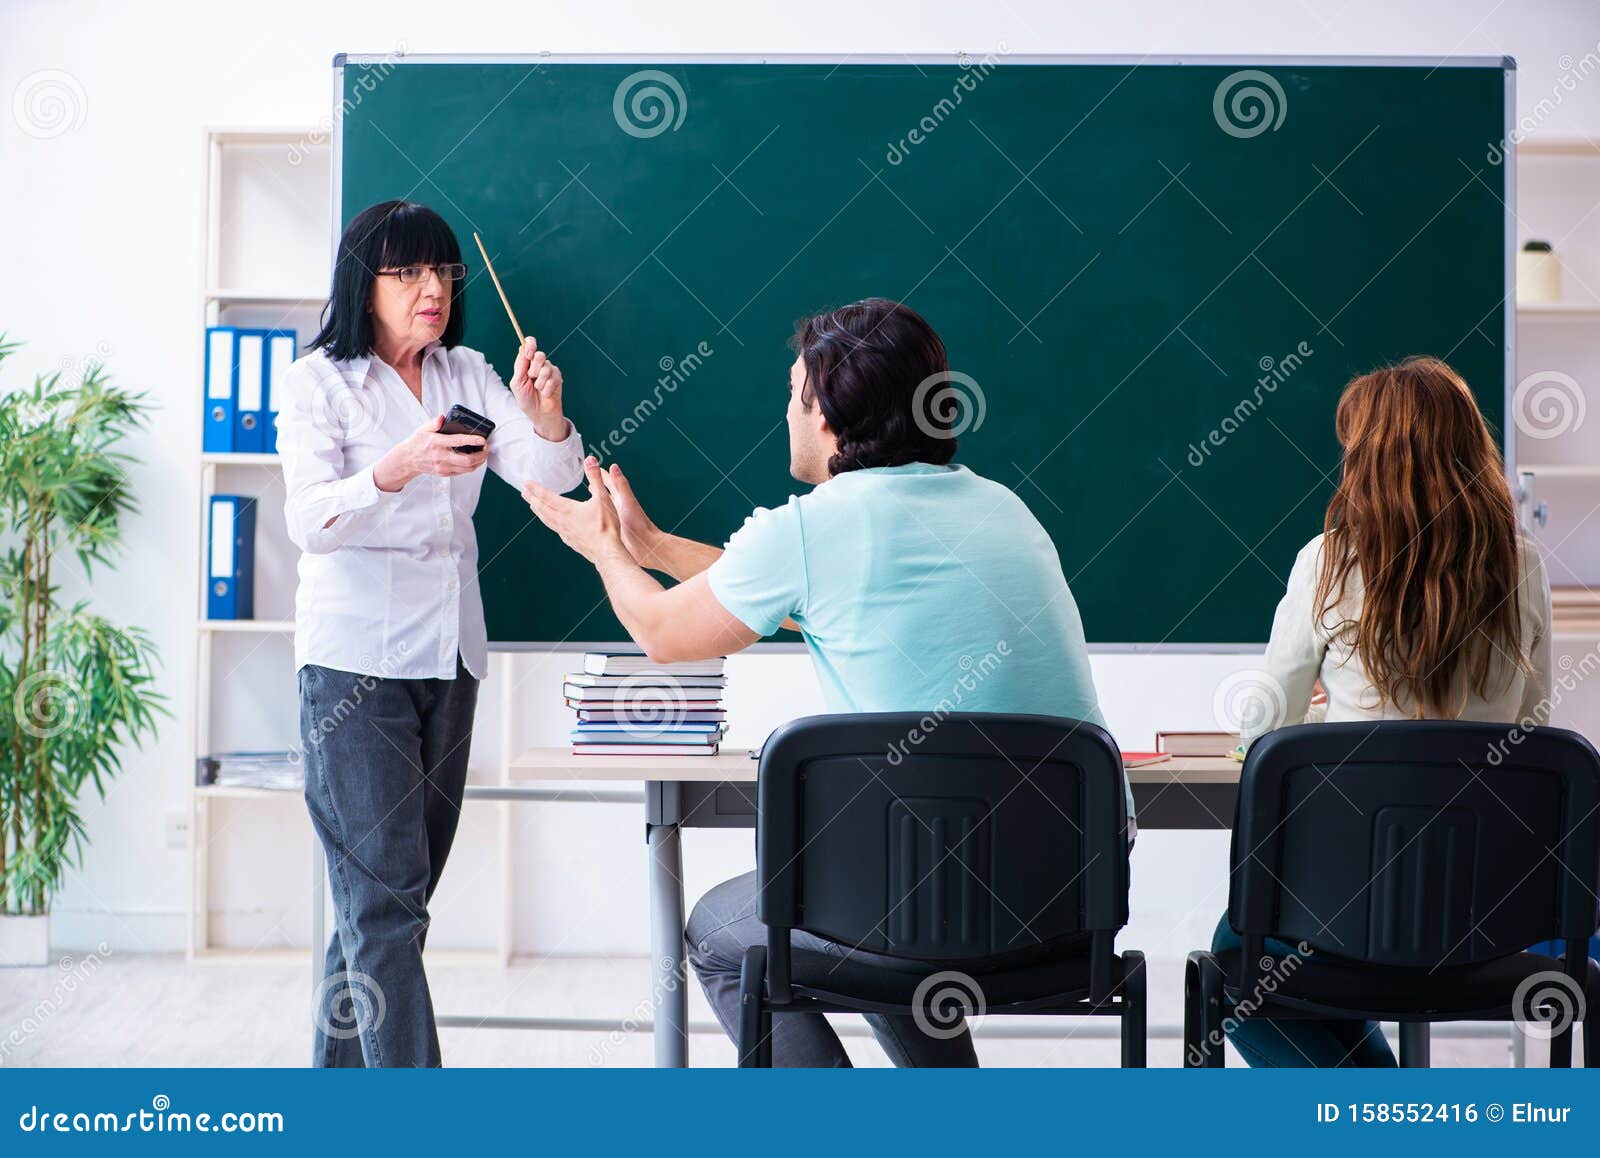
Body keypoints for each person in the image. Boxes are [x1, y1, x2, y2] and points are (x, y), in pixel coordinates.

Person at [523, 297, 1126, 1066]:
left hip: (910, 898)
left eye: (792, 391)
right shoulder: (1004, 510)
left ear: (830, 411)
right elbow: (815, 609)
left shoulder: (812, 527)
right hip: (1069, 896)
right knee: (900, 894)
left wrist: (606, 549)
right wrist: (654, 546)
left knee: (727, 933)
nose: (786, 409)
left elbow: (663, 634)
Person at [278, 200, 584, 1067]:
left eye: (443, 274)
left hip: (450, 660)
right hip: (353, 669)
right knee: (385, 909)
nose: (432, 291)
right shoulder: (318, 384)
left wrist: (547, 414)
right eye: (407, 273)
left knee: (382, 908)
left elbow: (548, 474)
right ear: (361, 283)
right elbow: (306, 520)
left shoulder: (469, 374)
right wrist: (395, 467)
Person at [1215, 355, 1553, 1067]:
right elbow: (1534, 729)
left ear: (1368, 460)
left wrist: (1316, 721)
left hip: (1343, 913)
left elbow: (1264, 728)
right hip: (1490, 916)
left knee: (1233, 970)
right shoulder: (1522, 565)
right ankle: (1394, 1117)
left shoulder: (1327, 562)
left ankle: (1380, 1119)